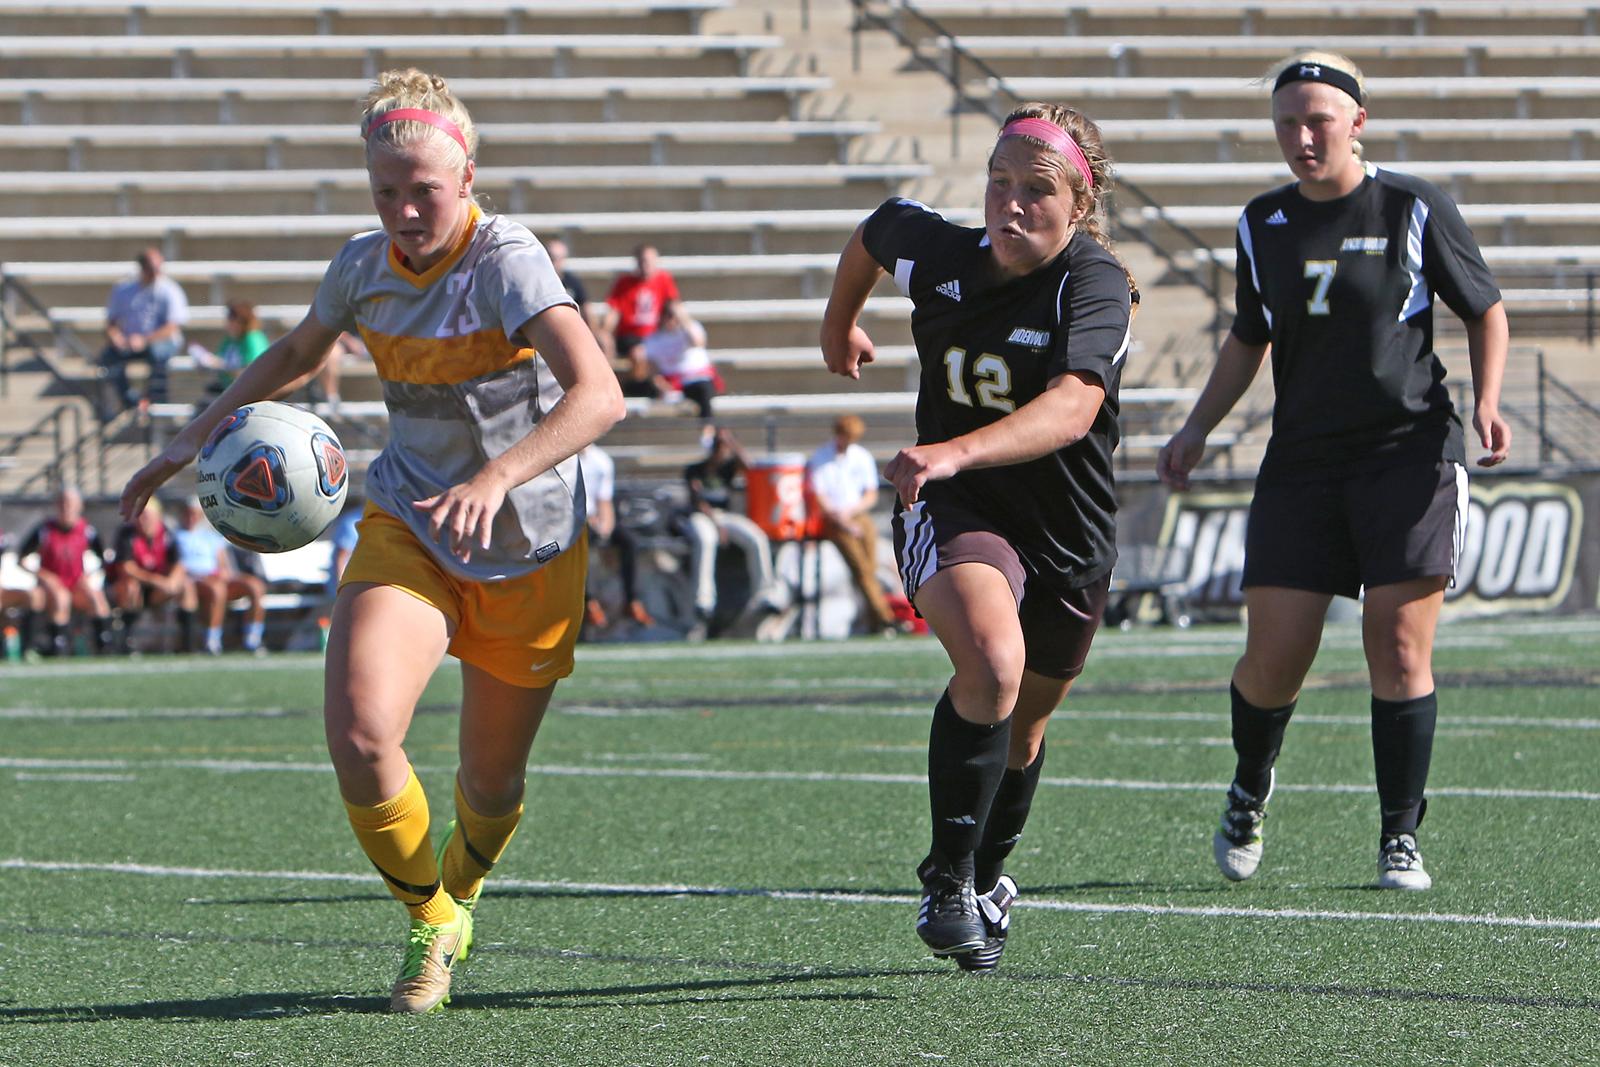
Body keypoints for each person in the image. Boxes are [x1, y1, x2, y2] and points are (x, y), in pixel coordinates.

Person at [118, 68, 625, 1013]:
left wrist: (495, 477)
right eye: (384, 191)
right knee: (359, 733)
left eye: (422, 189)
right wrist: (193, 437)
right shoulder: (361, 266)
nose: (403, 210)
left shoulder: (508, 260)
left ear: (466, 176)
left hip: (530, 544)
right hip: (410, 522)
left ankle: (460, 895)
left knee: (490, 783)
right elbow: (295, 353)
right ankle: (430, 919)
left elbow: (601, 395)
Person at [1158, 52, 1510, 894]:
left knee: (1398, 644)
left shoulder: (1412, 206)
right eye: (1287, 122)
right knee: (1273, 659)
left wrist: (1490, 401)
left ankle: (1399, 834)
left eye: (1318, 119)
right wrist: (1197, 428)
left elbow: (1485, 308)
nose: (1302, 137)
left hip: (1409, 454)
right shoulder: (1262, 221)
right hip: (1303, 461)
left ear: (1358, 121)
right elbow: (1250, 335)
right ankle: (1250, 784)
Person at [821, 103, 1135, 970]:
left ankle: (988, 875)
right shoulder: (945, 254)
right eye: (999, 182)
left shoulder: (1093, 283)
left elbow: (1072, 408)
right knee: (993, 665)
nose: (1011, 203)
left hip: (1067, 529)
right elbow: (878, 230)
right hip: (956, 506)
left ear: (1080, 203)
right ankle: (948, 877)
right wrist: (838, 320)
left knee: (1024, 728)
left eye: (1036, 189)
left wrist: (955, 447)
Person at [682, 427, 781, 637]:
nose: (721, 450)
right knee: (706, 539)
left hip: (724, 516)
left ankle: (765, 595)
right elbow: (697, 502)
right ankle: (704, 601)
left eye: (724, 446)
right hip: (702, 516)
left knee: (756, 537)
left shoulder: (728, 468)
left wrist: (733, 444)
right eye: (718, 445)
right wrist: (717, 526)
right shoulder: (695, 469)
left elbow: (750, 467)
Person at [805, 414, 897, 634]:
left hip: (858, 515)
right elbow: (819, 496)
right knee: (862, 570)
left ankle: (874, 623)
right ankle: (887, 619)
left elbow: (870, 494)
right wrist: (842, 520)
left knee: (871, 569)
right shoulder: (821, 457)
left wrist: (851, 513)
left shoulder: (860, 456)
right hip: (834, 520)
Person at [19, 486, 117, 656]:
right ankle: (58, 646)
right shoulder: (45, 530)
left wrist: (88, 576)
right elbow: (21, 559)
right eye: (62, 503)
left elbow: (103, 560)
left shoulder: (87, 530)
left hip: (76, 584)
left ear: (79, 506)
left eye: (70, 503)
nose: (66, 507)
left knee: (96, 598)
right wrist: (45, 577)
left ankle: (105, 647)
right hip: (51, 588)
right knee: (60, 598)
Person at [100, 248, 190, 413]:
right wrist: (116, 337)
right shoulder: (124, 289)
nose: (156, 273)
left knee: (158, 353)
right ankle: (128, 400)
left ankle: (155, 401)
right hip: (131, 342)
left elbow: (172, 327)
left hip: (161, 341)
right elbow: (111, 322)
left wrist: (145, 340)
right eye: (152, 269)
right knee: (109, 356)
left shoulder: (170, 290)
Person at [174, 497, 267, 655]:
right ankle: (212, 640)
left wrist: (224, 572)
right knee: (217, 589)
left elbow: (222, 563)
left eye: (194, 514)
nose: (191, 518)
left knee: (256, 586)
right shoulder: (177, 536)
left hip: (216, 577)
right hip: (195, 580)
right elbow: (178, 565)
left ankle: (253, 638)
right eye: (188, 514)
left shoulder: (210, 536)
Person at [576, 443, 654, 632]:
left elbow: (604, 500)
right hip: (575, 519)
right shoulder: (566, 460)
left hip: (595, 518)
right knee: (582, 544)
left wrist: (606, 525)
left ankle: (632, 600)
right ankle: (589, 601)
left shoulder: (601, 460)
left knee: (629, 542)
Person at [108, 498, 197, 653]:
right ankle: (127, 642)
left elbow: (179, 564)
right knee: (130, 587)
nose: (143, 520)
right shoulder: (127, 533)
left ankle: (187, 644)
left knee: (186, 586)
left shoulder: (167, 533)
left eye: (146, 516)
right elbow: (126, 568)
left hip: (158, 591)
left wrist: (172, 582)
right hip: (137, 587)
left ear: (158, 517)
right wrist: (156, 580)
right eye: (139, 515)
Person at [605, 243, 680, 391]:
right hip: (629, 335)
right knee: (638, 353)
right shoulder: (625, 282)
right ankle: (637, 387)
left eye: (650, 261)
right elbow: (614, 311)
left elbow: (674, 305)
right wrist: (606, 331)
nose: (646, 265)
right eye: (643, 261)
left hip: (654, 335)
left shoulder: (663, 279)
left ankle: (645, 386)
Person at [641, 299, 721, 422]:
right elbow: (652, 370)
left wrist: (683, 318)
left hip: (695, 378)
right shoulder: (653, 339)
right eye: (668, 315)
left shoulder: (691, 328)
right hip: (670, 381)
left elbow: (698, 342)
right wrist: (661, 384)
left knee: (703, 390)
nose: (672, 319)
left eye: (674, 315)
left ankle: (708, 428)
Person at [547, 237, 612, 357]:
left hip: (573, 330)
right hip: (548, 330)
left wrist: (593, 332)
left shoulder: (572, 282)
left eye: (558, 258)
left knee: (604, 341)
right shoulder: (540, 283)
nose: (554, 262)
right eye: (551, 257)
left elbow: (586, 308)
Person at [189, 301, 270, 396]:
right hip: (229, 388)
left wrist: (225, 367)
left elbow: (254, 372)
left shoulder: (253, 339)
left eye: (231, 320)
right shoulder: (230, 339)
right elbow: (220, 361)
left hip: (249, 391)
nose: (228, 324)